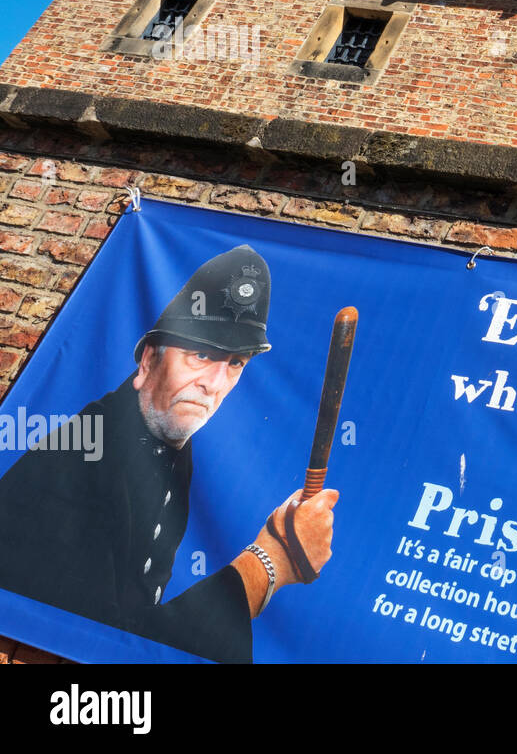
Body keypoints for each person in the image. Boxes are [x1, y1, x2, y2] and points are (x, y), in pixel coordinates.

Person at [0, 244, 338, 663]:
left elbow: (135, 612)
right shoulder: (80, 461)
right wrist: (271, 561)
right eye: (201, 354)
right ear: (146, 362)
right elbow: (103, 647)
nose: (214, 384)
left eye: (234, 364)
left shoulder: (168, 444)